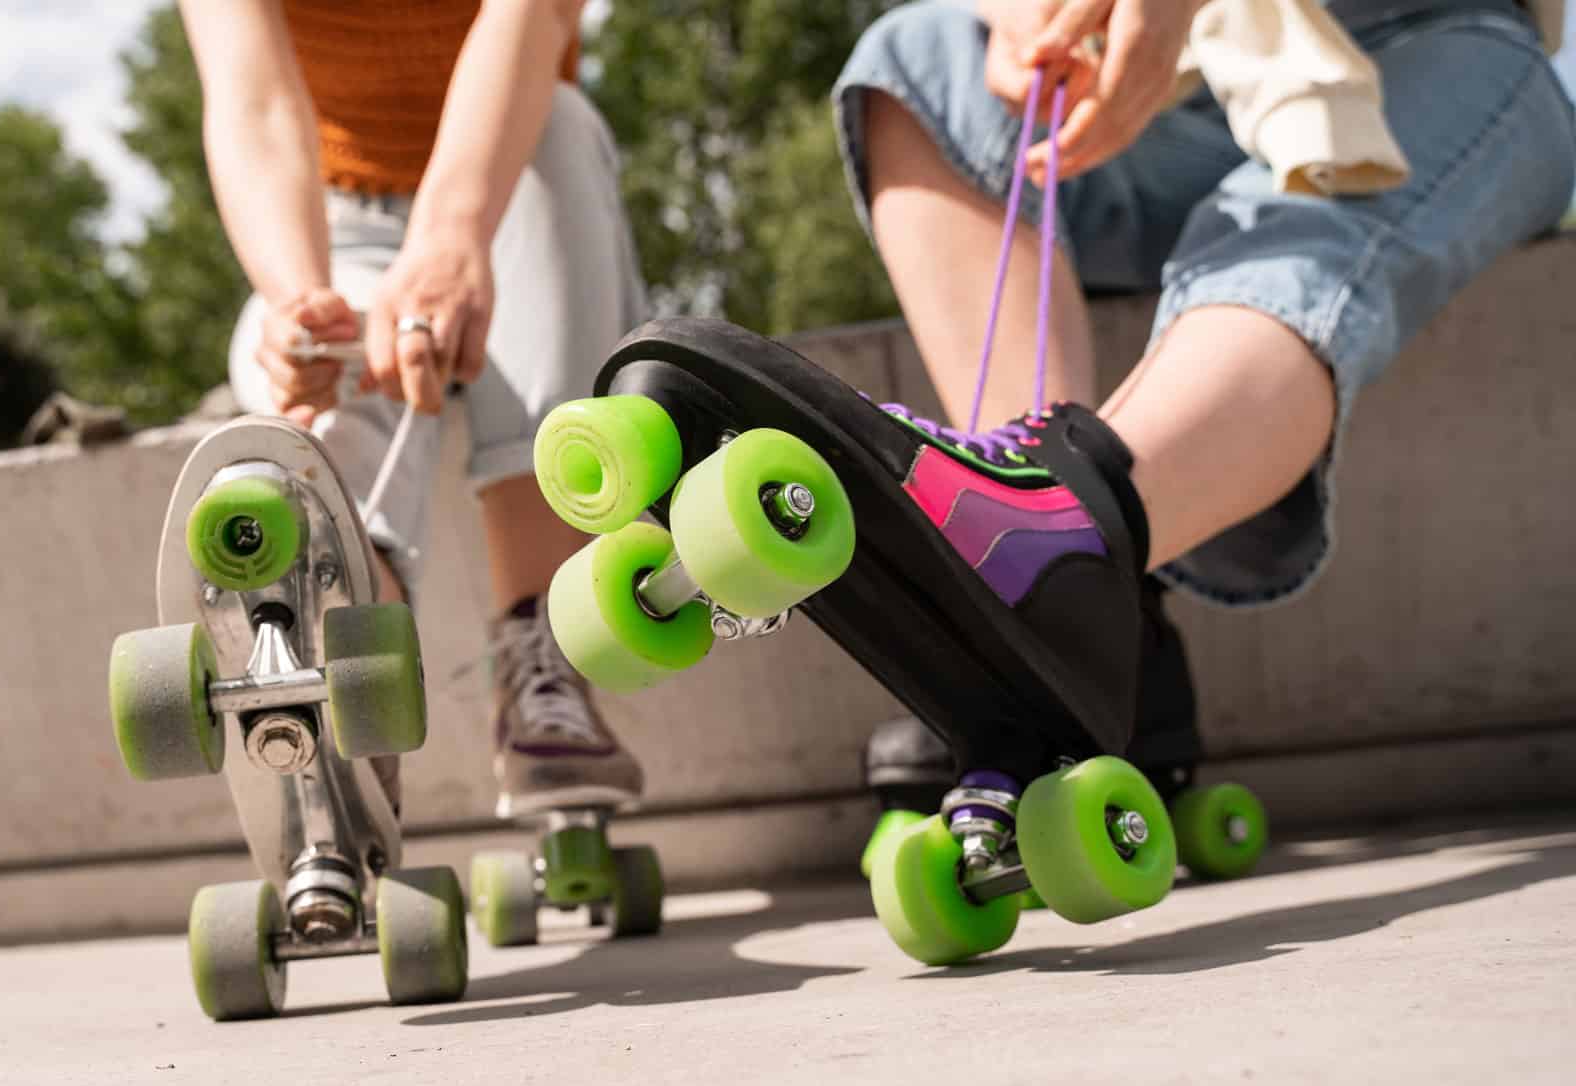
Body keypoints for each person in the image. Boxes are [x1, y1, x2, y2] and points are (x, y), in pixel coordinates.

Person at [832, 0, 1573, 812]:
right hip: (1183, 101)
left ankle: (1060, 562)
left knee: (1303, 220)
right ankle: (1065, 615)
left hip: (1443, 44)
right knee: (917, 57)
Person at [178, 0, 649, 820]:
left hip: (513, 179)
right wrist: (300, 302)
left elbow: (533, 18)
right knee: (323, 409)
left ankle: (539, 650)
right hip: (336, 220)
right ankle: (353, 629)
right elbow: (250, 98)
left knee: (562, 129)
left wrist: (453, 233)